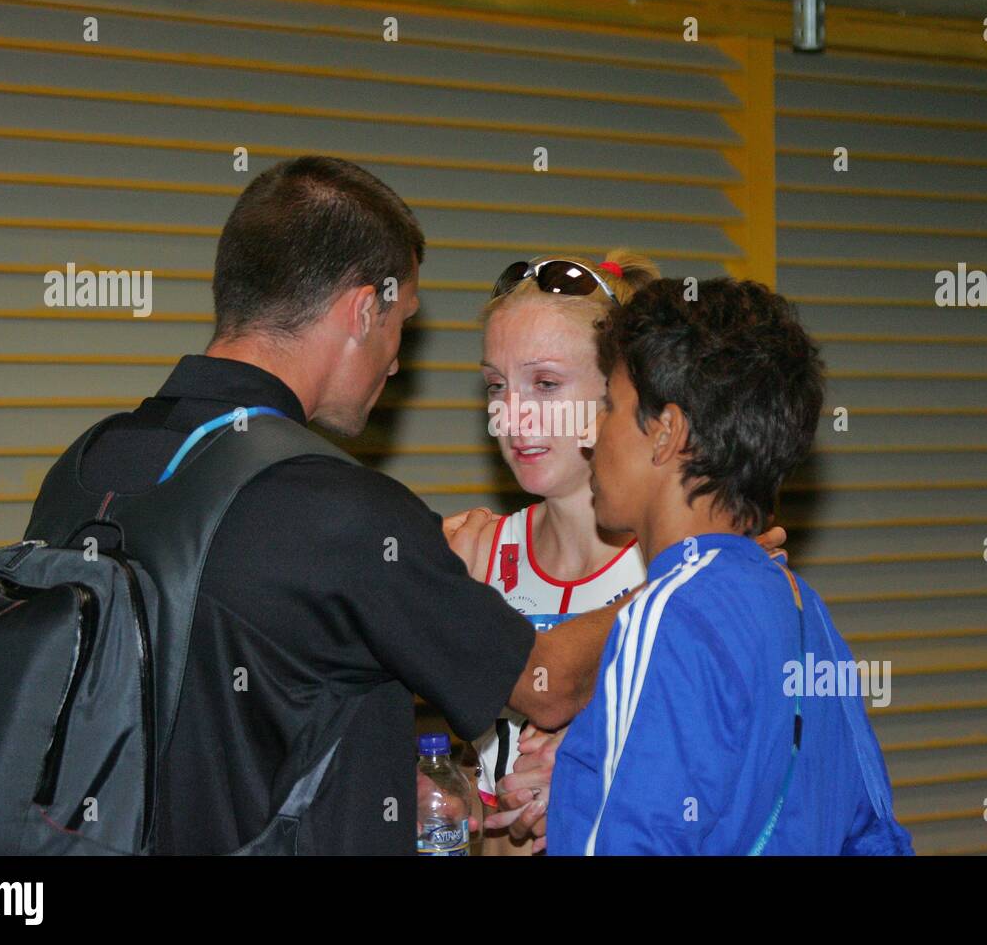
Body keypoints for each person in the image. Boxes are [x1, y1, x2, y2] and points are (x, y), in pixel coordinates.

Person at [50, 156, 620, 854]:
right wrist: (686, 580)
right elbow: (548, 683)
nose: (395, 362)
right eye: (400, 323)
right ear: (361, 310)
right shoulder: (343, 512)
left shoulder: (85, 465)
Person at [503, 276, 914, 854]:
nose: (592, 436)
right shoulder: (800, 607)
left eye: (610, 408)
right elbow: (872, 832)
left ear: (666, 433)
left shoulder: (663, 617)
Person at [444, 253, 787, 854]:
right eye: (495, 386)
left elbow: (749, 782)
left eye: (545, 384)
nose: (510, 415)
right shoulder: (473, 554)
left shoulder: (701, 561)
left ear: (622, 393)